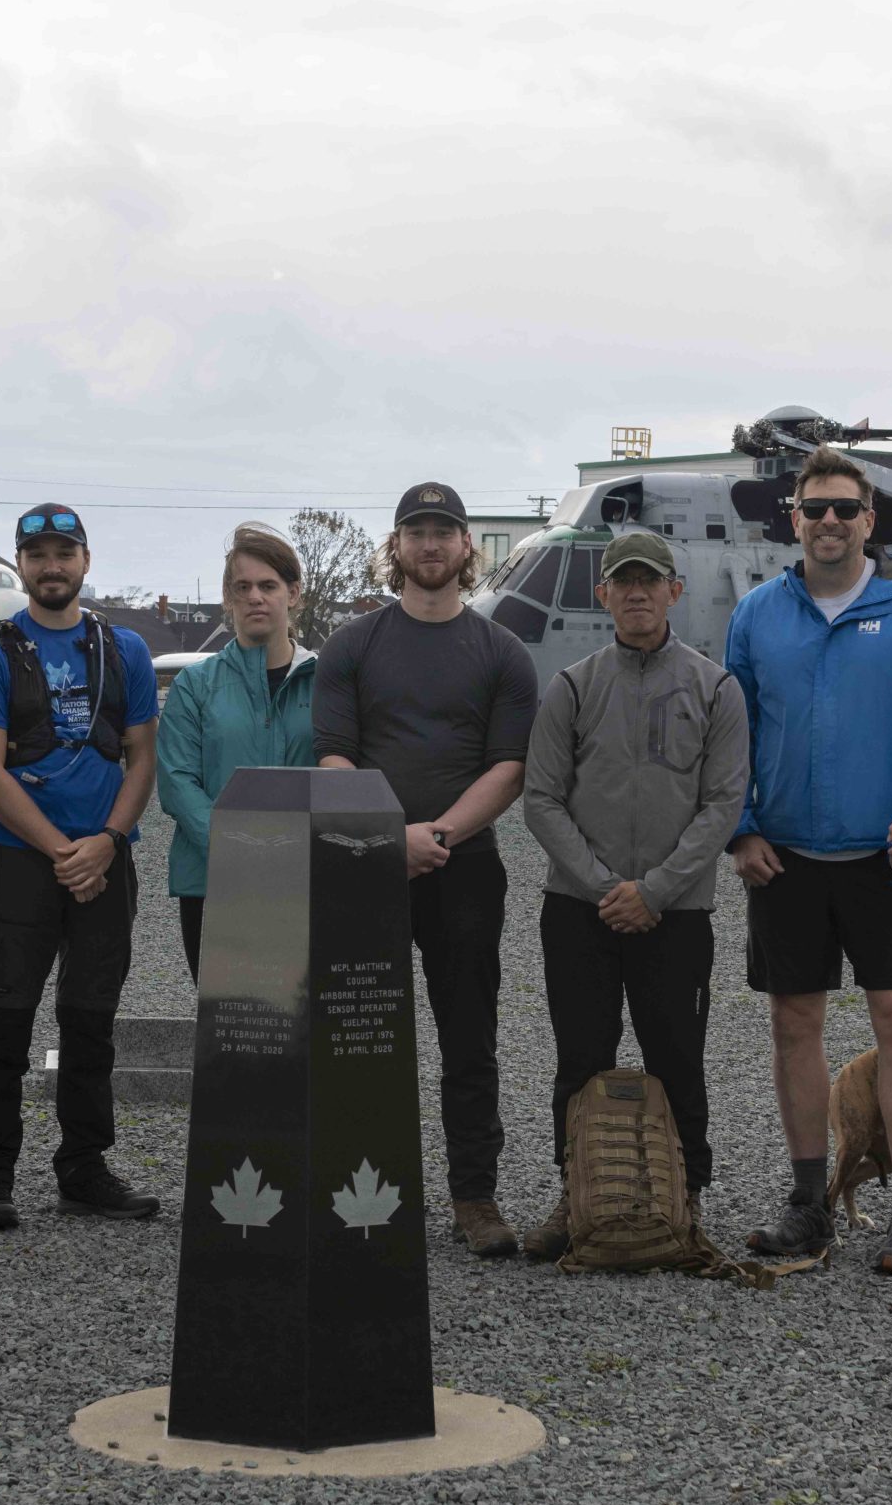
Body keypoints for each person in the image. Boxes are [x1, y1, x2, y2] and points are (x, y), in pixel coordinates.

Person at [726, 446, 892, 1271]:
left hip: (886, 854)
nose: (830, 521)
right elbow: (732, 734)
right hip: (787, 858)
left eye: (845, 508)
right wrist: (742, 826)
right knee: (794, 1022)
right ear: (792, 519)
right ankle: (809, 1202)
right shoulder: (758, 613)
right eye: (815, 508)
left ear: (870, 520)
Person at [313, 481, 539, 1257]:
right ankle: (356, 1186)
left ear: (467, 546)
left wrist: (432, 835)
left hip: (466, 869)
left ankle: (475, 1196)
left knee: (469, 1039)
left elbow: (509, 767)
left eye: (446, 530)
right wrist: (386, 836)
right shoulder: (353, 645)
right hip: (361, 865)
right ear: (397, 546)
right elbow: (334, 755)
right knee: (358, 1034)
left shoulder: (501, 651)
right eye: (417, 531)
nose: (432, 544)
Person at [519, 529, 748, 1258]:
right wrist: (602, 888)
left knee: (677, 1057)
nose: (639, 592)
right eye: (625, 581)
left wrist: (654, 890)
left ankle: (686, 1203)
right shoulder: (573, 686)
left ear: (675, 590)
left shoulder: (716, 689)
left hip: (676, 914)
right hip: (579, 912)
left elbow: (722, 803)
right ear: (605, 594)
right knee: (580, 1059)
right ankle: (576, 1195)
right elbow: (541, 800)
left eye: (652, 580)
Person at [0, 502, 164, 1229]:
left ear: (85, 560)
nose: (51, 565)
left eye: (63, 552)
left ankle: (83, 1167)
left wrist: (107, 839)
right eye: (37, 553)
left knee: (90, 1020)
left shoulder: (124, 650)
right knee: (5, 1017)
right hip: (22, 861)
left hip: (107, 860)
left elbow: (143, 756)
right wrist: (61, 851)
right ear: (20, 562)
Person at [157, 521, 318, 979]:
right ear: (227, 597)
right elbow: (177, 781)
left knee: (304, 1028)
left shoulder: (329, 684)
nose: (255, 597)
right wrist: (240, 852)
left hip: (305, 883)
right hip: (212, 884)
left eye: (268, 585)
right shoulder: (195, 686)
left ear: (294, 593)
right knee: (230, 1029)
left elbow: (344, 776)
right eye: (242, 587)